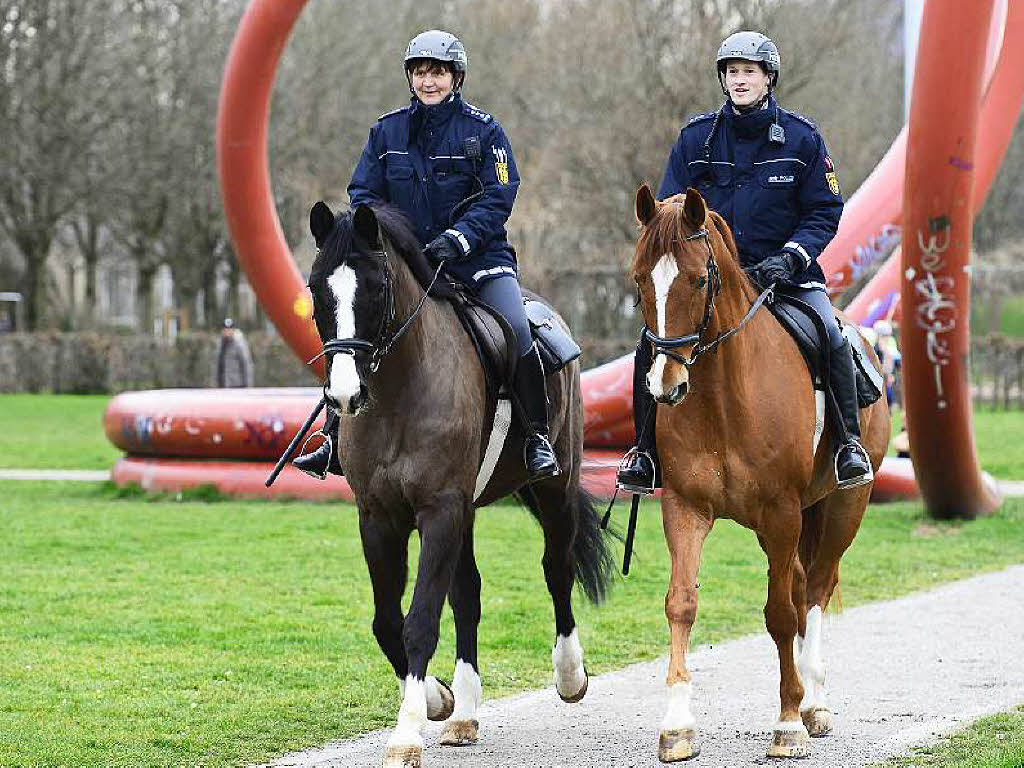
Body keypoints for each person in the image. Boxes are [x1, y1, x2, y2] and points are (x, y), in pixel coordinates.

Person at [294, 29, 559, 482]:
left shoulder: (486, 131)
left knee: (516, 328)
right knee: (354, 326)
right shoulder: (386, 131)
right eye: (420, 72)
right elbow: (362, 193)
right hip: (407, 264)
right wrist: (396, 238)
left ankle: (536, 437)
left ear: (456, 77)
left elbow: (500, 194)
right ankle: (334, 435)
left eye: (437, 72)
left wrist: (459, 238)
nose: (428, 81)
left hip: (477, 261)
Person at [616, 30, 873, 494]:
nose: (739, 80)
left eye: (748, 72)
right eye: (732, 72)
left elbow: (825, 211)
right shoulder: (696, 138)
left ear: (768, 78)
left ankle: (848, 445)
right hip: (709, 280)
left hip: (786, 277)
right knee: (649, 345)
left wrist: (791, 257)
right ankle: (644, 454)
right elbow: (671, 208)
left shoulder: (803, 138)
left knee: (832, 335)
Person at [215, 318, 253, 388]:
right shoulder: (221, 344)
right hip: (223, 384)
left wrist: (248, 385)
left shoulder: (239, 344)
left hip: (237, 385)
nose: (227, 332)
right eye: (225, 329)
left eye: (229, 329)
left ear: (233, 330)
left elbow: (246, 364)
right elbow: (217, 365)